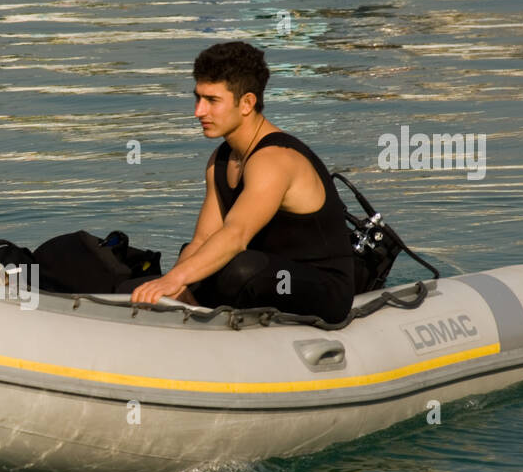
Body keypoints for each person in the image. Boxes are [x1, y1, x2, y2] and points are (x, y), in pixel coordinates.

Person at [130, 42, 355, 323]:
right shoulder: (220, 159)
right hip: (262, 274)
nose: (199, 111)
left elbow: (236, 236)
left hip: (321, 289)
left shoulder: (275, 159)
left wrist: (176, 280)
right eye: (197, 98)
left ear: (247, 103)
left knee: (240, 268)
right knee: (196, 257)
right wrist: (170, 290)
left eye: (212, 100)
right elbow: (204, 238)